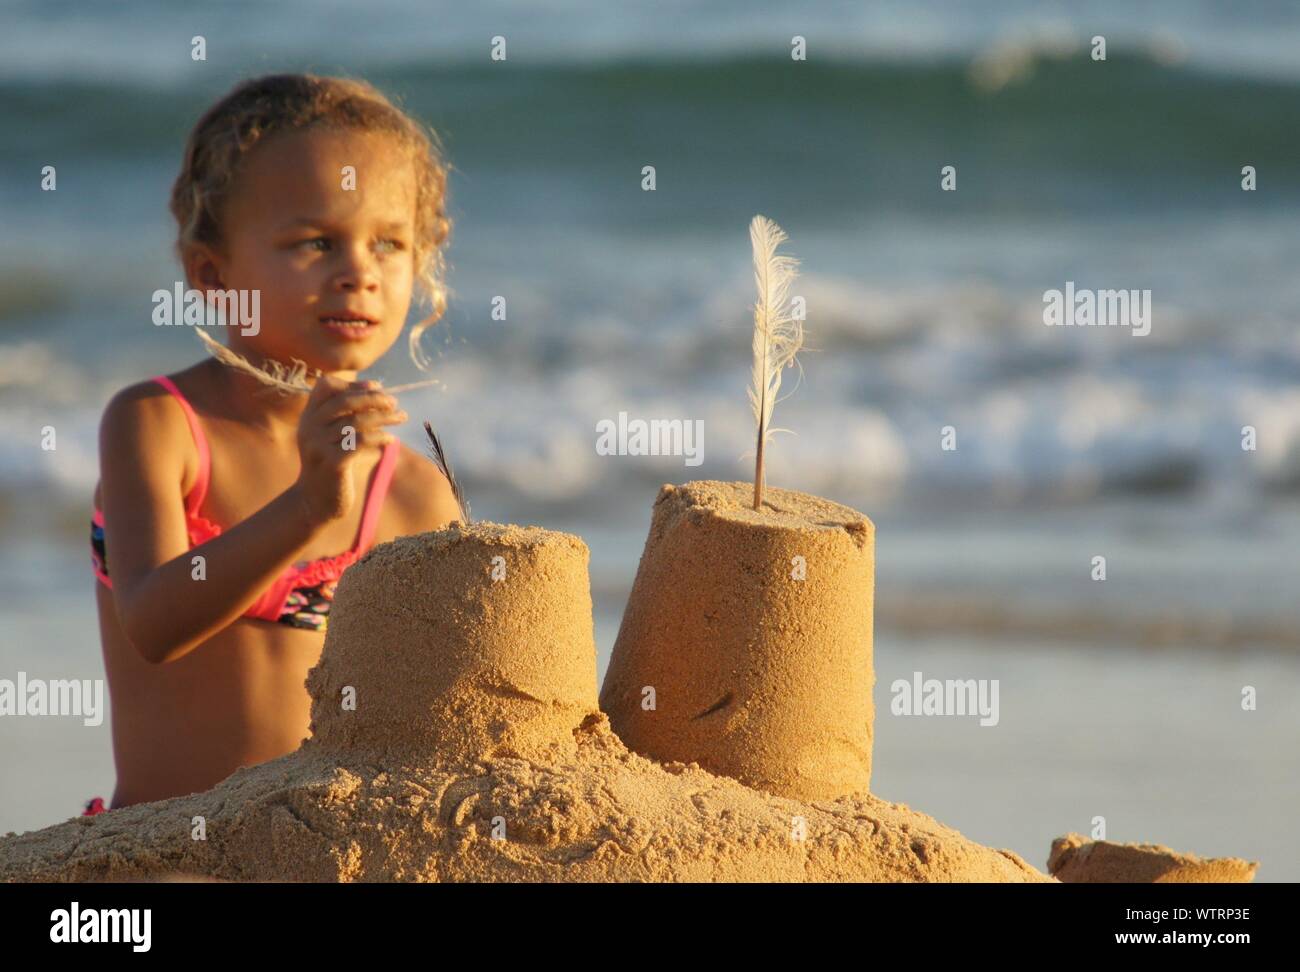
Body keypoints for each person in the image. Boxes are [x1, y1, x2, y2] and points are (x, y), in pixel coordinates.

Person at [85, 74, 463, 813]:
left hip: (328, 853)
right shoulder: (160, 427)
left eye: (389, 243)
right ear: (214, 275)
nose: (359, 271)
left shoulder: (415, 492)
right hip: (165, 848)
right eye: (316, 242)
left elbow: (442, 710)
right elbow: (155, 625)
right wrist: (308, 506)